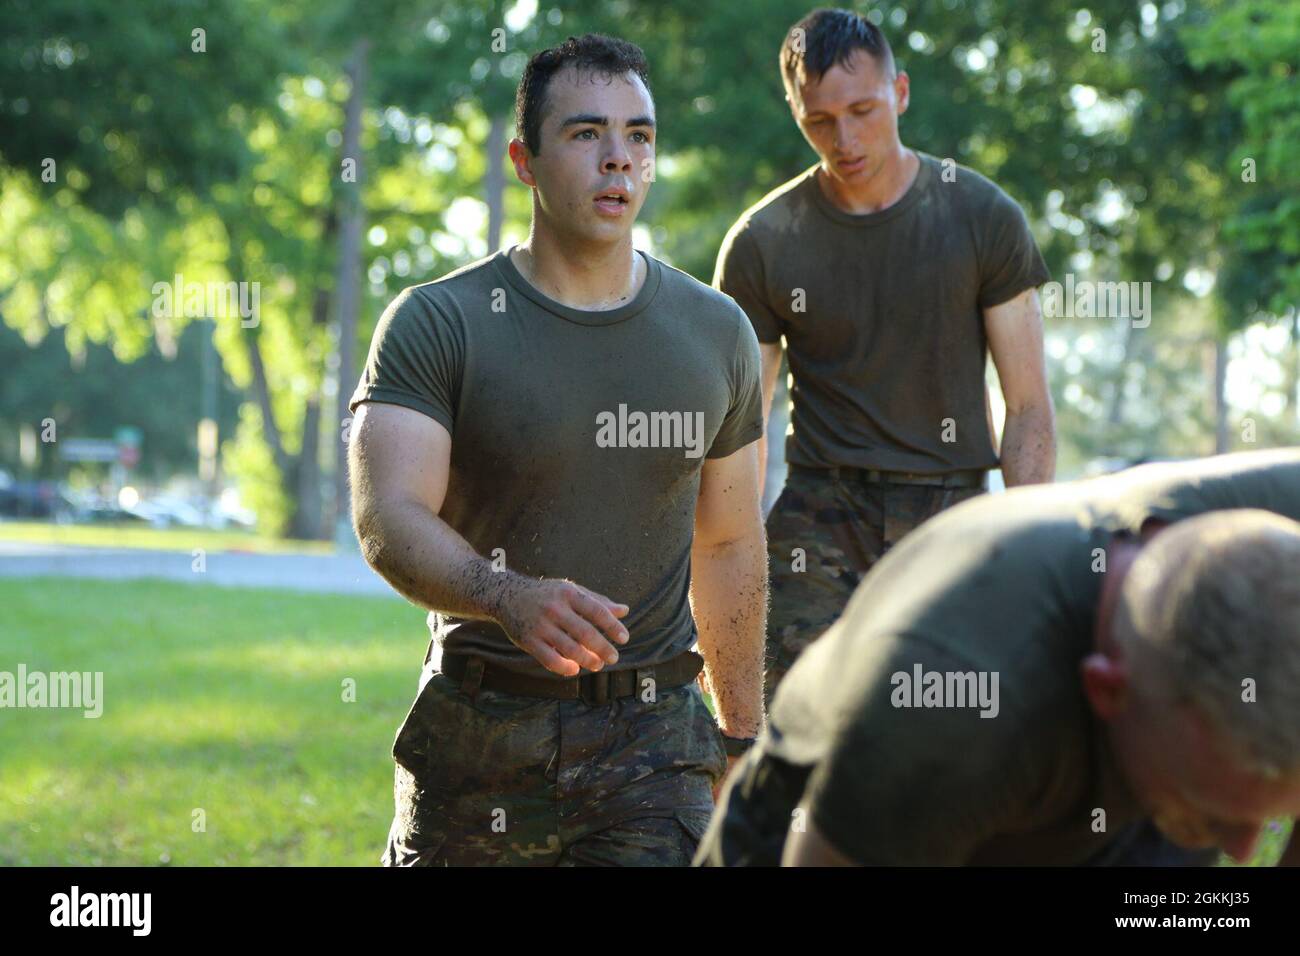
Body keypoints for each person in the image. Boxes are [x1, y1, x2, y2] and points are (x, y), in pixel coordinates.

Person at [348, 34, 766, 866]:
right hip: (480, 734)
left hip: (654, 746)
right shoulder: (438, 323)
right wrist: (503, 593)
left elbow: (727, 540)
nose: (619, 159)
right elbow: (387, 515)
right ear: (524, 160)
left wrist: (743, 733)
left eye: (638, 137)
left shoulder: (717, 332)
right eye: (586, 134)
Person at [695, 449, 1300, 866]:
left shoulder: (1281, 518)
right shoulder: (946, 699)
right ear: (1108, 690)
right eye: (1220, 811)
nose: (1244, 853)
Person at [714, 8, 1056, 704]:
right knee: (785, 721)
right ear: (795, 112)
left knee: (952, 726)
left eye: (863, 110)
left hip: (950, 503)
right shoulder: (763, 240)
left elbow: (1027, 407)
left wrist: (1028, 552)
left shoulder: (984, 218)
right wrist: (733, 559)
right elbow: (741, 425)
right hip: (820, 506)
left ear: (900, 93)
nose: (844, 139)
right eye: (819, 120)